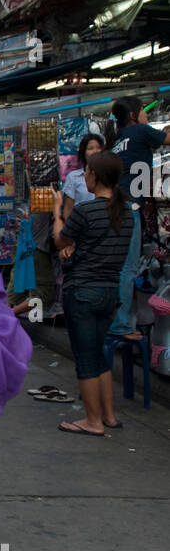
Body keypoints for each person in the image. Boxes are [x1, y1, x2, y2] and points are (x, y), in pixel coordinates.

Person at [52, 151, 133, 436]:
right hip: (110, 291)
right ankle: (109, 416)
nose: (84, 177)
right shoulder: (127, 214)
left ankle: (93, 421)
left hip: (83, 291)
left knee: (86, 359)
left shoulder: (87, 211)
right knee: (99, 356)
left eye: (86, 173)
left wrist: (56, 213)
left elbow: (60, 239)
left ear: (95, 177)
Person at [107, 97, 170, 342]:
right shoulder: (141, 131)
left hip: (115, 206)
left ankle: (116, 320)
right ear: (134, 115)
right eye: (144, 111)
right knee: (128, 268)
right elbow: (166, 140)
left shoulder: (119, 139)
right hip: (129, 206)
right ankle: (121, 325)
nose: (146, 115)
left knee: (120, 266)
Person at [62, 133, 104, 220]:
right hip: (80, 225)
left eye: (98, 148)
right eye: (90, 148)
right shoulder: (73, 177)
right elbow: (68, 209)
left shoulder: (107, 174)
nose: (95, 151)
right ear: (83, 152)